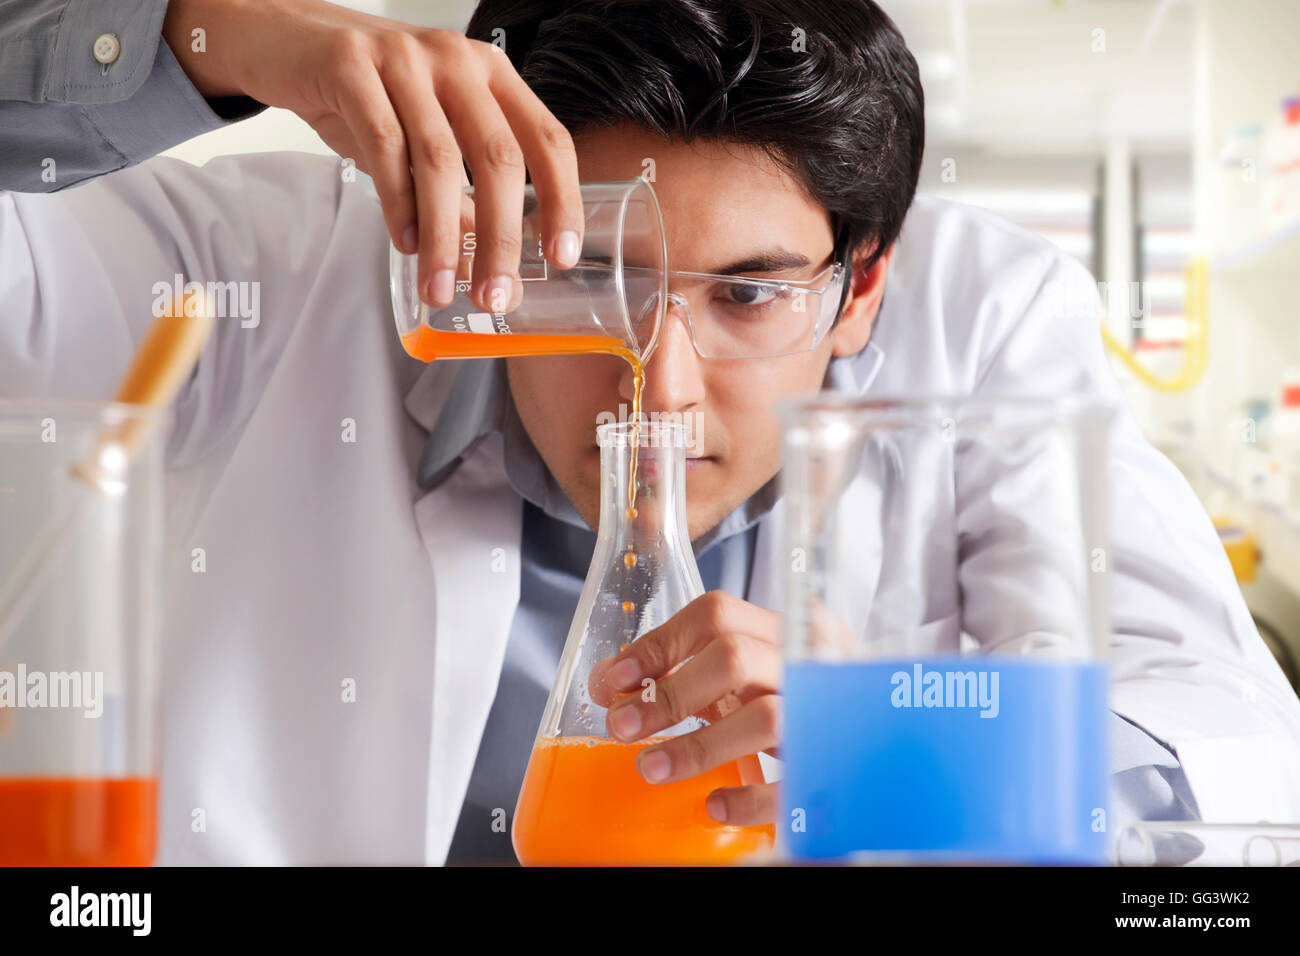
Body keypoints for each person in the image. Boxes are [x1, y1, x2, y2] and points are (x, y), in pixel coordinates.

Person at [1, 0, 1297, 866]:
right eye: (587, 277)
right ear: (486, 244)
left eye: (747, 293)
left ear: (863, 292)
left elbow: (1237, 748)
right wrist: (197, 35)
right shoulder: (278, 268)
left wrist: (906, 732)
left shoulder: (987, 319)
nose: (657, 387)